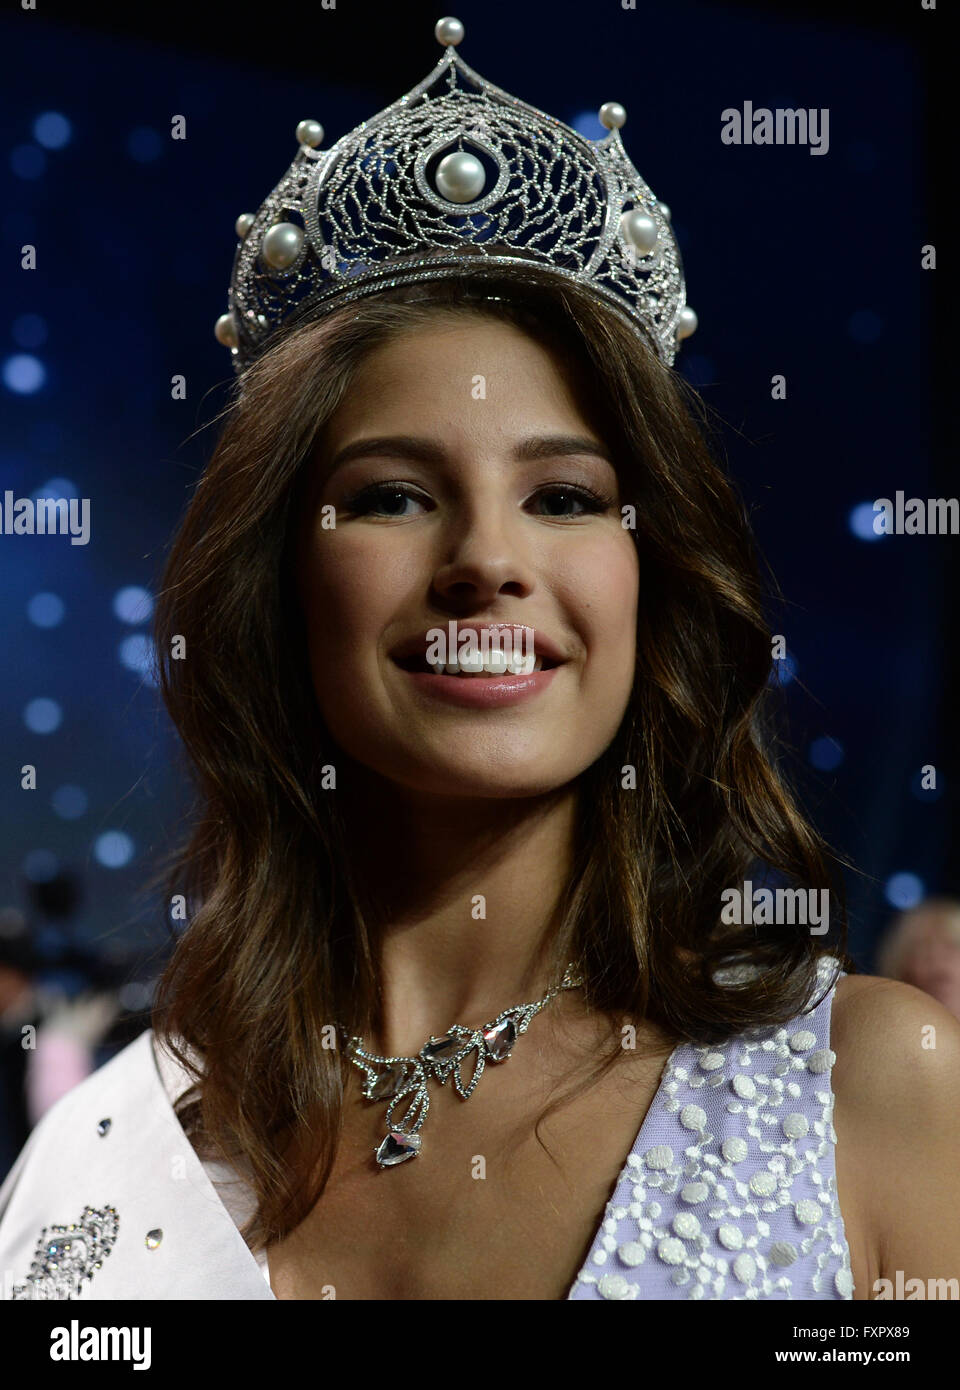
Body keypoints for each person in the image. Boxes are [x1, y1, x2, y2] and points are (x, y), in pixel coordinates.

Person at [1, 16, 958, 1303]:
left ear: (653, 578)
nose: (487, 560)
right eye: (393, 496)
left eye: (565, 498)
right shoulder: (95, 1162)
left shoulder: (876, 1091)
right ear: (277, 585)